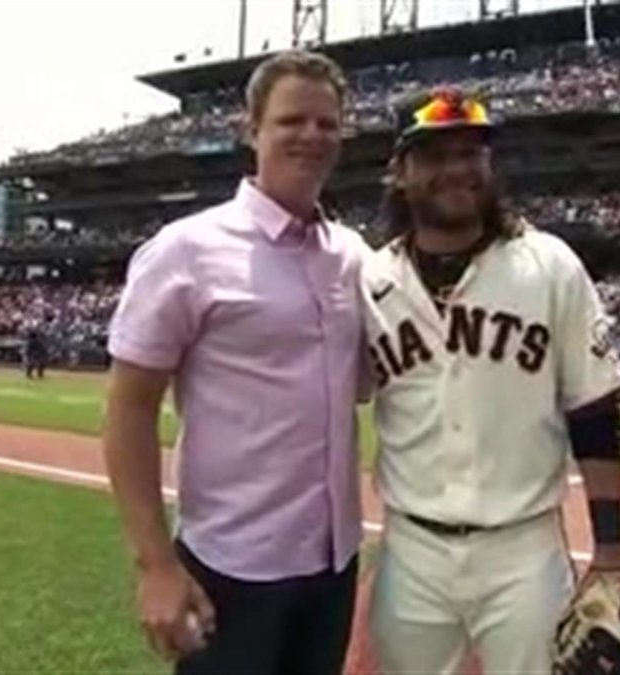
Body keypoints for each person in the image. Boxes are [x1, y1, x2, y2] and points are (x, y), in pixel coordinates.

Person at [360, 87, 620, 674]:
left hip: (524, 551)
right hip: (411, 550)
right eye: (435, 156)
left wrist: (611, 546)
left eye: (471, 153)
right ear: (400, 172)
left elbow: (593, 412)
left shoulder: (550, 265)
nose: (456, 169)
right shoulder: (367, 281)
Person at [102, 50, 367, 675]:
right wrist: (156, 565)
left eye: (327, 124)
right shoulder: (187, 250)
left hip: (332, 566)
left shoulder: (353, 255)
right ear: (251, 129)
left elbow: (366, 384)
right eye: (291, 120)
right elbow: (129, 409)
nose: (311, 135)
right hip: (232, 567)